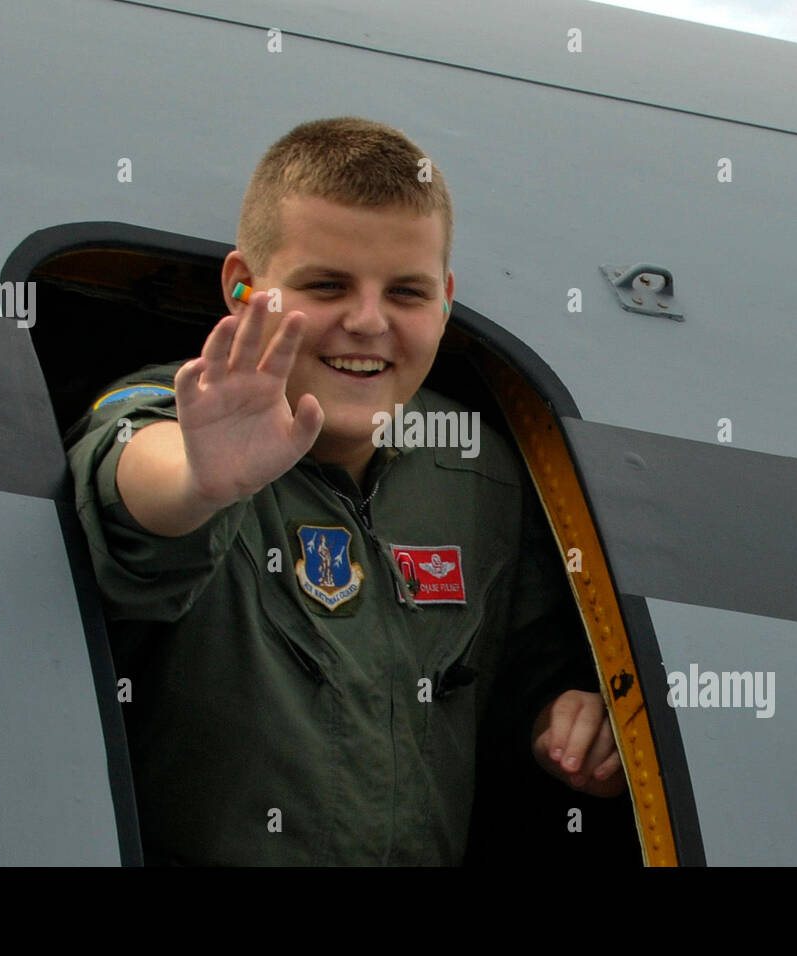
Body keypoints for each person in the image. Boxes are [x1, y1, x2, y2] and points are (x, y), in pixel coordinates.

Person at [66, 117, 625, 865]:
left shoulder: (479, 471)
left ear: (447, 298)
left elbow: (518, 672)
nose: (367, 323)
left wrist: (562, 718)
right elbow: (131, 488)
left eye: (407, 292)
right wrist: (201, 480)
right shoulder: (190, 413)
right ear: (242, 285)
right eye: (326, 286)